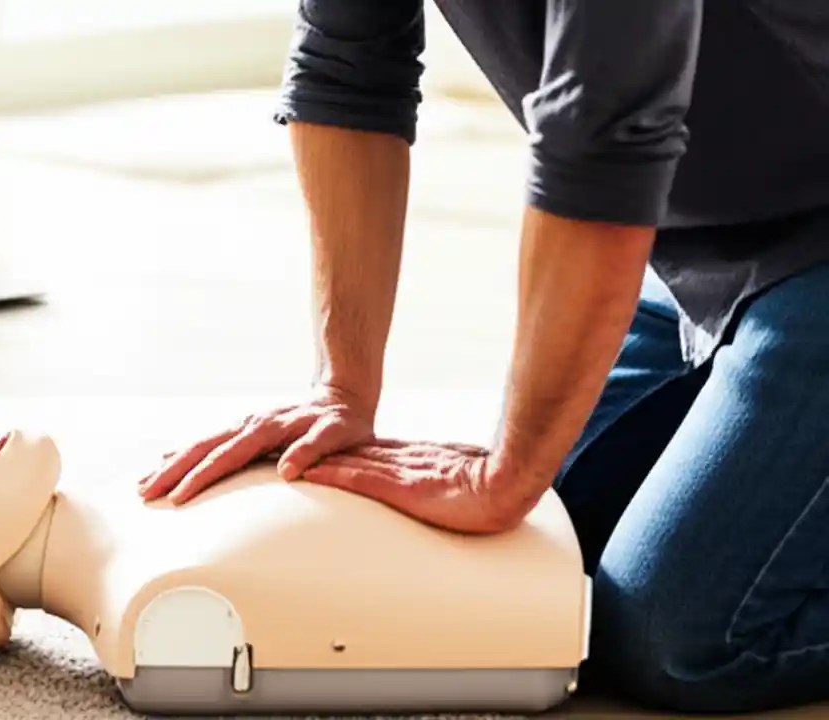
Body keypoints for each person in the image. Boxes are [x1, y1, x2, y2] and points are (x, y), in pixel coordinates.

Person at [139, 0, 829, 714]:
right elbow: (346, 66)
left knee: (679, 635)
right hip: (688, 250)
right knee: (551, 555)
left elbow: (602, 140)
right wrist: (342, 386)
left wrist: (510, 471)